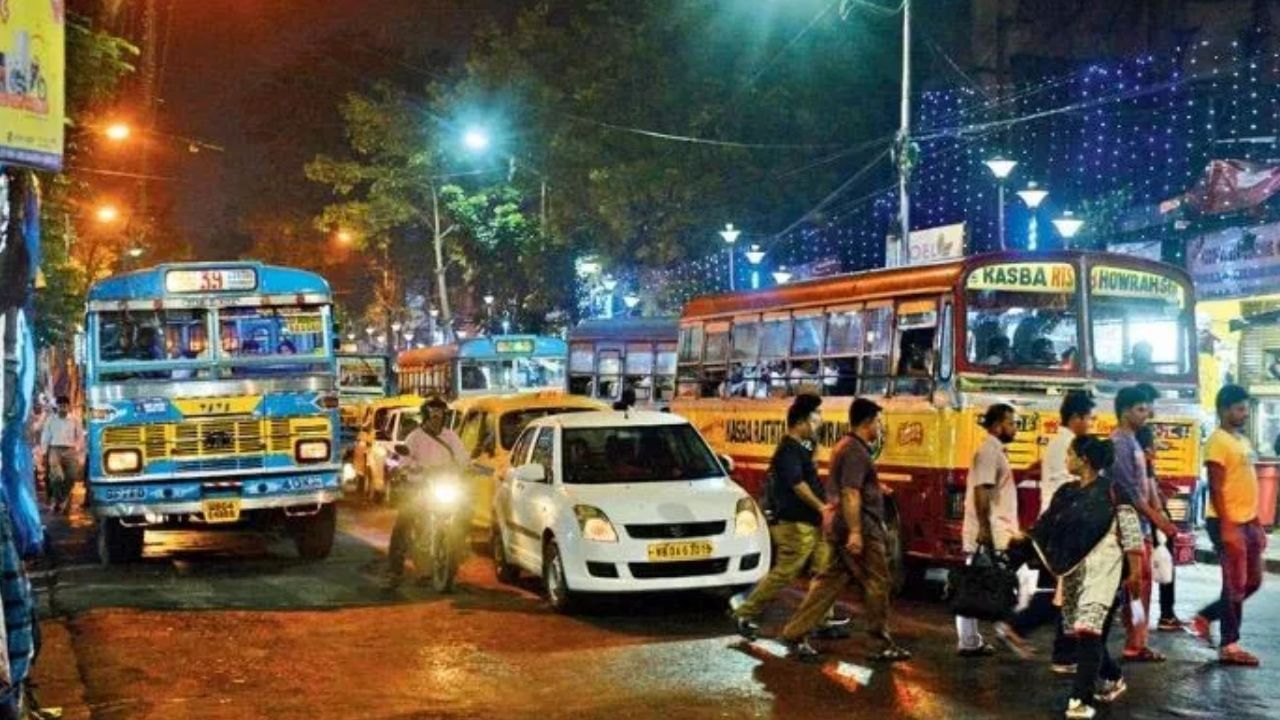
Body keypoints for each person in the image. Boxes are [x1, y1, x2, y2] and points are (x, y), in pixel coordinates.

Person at [777, 398, 910, 663]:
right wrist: (856, 532)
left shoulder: (848, 447)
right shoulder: (855, 452)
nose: (880, 428)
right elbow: (850, 493)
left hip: (845, 526)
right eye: (878, 422)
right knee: (878, 583)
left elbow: (852, 488)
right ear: (867, 422)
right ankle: (879, 643)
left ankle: (794, 632)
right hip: (861, 527)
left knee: (829, 583)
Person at [1025, 437, 1145, 720]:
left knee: (1089, 630)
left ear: (1084, 459)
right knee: (1083, 634)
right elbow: (1046, 525)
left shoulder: (1115, 492)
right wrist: (1024, 540)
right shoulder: (1066, 492)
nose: (1066, 459)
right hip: (1072, 573)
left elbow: (1131, 534)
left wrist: (1136, 571)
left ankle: (1080, 700)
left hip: (1105, 571)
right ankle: (1113, 677)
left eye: (1070, 454)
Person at [1000, 391, 1094, 671]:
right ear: (1076, 417)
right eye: (1088, 418)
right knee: (1066, 591)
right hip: (1062, 529)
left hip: (1053, 526)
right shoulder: (1071, 446)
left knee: (1059, 590)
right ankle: (1057, 651)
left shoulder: (1058, 443)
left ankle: (1024, 632)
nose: (1090, 423)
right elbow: (1075, 488)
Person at [731, 394, 835, 639]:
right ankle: (745, 612)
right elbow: (798, 485)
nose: (820, 421)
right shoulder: (788, 450)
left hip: (812, 523)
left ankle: (822, 619)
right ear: (801, 422)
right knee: (785, 573)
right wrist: (822, 507)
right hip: (795, 525)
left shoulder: (802, 448)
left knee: (825, 571)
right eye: (815, 416)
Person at [1191, 385, 1265, 666]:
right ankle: (1230, 645)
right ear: (1223, 410)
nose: (1244, 414)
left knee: (1252, 582)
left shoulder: (1241, 440)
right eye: (1239, 409)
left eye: (1246, 408)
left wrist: (1256, 522)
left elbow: (1248, 485)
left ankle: (1206, 616)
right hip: (1226, 520)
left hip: (1248, 521)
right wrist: (1227, 526)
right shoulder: (1218, 441)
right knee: (1234, 584)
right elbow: (1217, 488)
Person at [1109, 386, 1179, 662]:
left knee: (1142, 583)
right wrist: (1157, 517)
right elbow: (1128, 490)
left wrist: (1157, 507)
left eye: (1146, 408)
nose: (1146, 414)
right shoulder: (1120, 443)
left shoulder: (1134, 441)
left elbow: (1144, 483)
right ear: (1125, 411)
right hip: (1129, 522)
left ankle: (1138, 639)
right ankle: (1134, 642)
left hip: (1141, 523)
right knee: (1137, 583)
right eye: (1140, 408)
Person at [956, 403, 1021, 657]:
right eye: (1011, 423)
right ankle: (984, 636)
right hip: (989, 530)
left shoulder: (996, 452)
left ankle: (974, 639)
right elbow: (981, 490)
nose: (1015, 428)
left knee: (980, 582)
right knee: (976, 584)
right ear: (997, 426)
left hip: (995, 529)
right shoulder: (988, 452)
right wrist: (984, 529)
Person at [387, 396, 467, 589]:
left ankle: (456, 555)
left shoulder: (451, 437)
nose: (437, 419)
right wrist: (408, 469)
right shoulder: (414, 437)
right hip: (419, 488)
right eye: (433, 415)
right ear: (425, 416)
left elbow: (463, 458)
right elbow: (403, 461)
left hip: (445, 486)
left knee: (465, 516)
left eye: (440, 415)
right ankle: (394, 571)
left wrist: (467, 468)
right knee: (403, 523)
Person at [39, 396, 84, 515]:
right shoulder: (51, 419)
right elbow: (45, 436)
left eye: (64, 406)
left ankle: (62, 498)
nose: (62, 408)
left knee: (73, 475)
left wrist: (77, 450)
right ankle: (57, 500)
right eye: (60, 406)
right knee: (57, 477)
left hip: (70, 449)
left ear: (68, 407)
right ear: (57, 407)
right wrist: (44, 452)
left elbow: (80, 436)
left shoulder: (75, 419)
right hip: (55, 449)